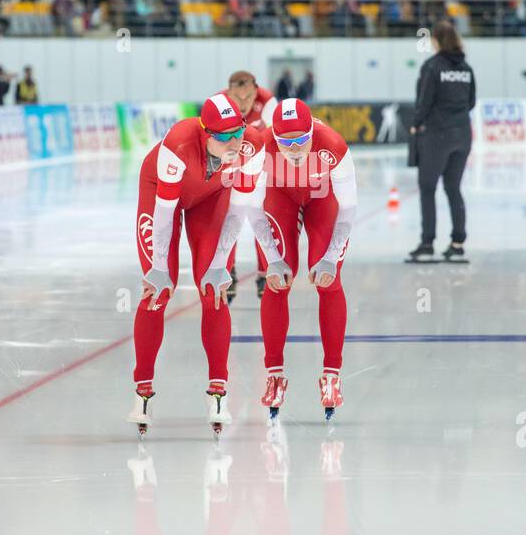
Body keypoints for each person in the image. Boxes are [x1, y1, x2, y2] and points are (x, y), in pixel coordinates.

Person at [129, 94, 250, 436]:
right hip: (161, 194)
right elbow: (165, 215)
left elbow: (239, 212)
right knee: (158, 291)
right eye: (223, 137)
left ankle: (218, 389)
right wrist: (158, 266)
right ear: (204, 132)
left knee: (213, 289)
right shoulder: (178, 145)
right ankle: (143, 388)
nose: (233, 143)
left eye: (237, 133)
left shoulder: (247, 149)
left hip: (211, 199)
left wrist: (223, 260)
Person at [229, 98, 357, 420]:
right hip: (280, 196)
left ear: (313, 131)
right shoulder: (260, 148)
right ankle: (274, 373)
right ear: (275, 137)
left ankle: (332, 374)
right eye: (287, 142)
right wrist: (271, 259)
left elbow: (348, 208)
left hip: (322, 199)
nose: (295, 149)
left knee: (329, 281)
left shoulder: (333, 146)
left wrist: (330, 256)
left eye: (302, 140)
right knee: (278, 281)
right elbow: (252, 209)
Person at [408, 21, 477, 261]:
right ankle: (457, 243)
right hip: (463, 135)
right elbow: (471, 102)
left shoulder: (432, 67)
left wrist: (415, 123)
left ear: (436, 41)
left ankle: (427, 244)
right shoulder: (466, 68)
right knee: (453, 188)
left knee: (428, 188)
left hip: (437, 136)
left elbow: (424, 101)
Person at [224, 70, 277, 301]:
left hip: (260, 161)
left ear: (256, 91)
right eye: (238, 98)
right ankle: (228, 269)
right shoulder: (221, 103)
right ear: (229, 93)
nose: (244, 103)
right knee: (229, 218)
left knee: (261, 217)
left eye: (248, 98)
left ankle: (266, 272)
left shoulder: (267, 101)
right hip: (232, 163)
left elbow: (278, 134)